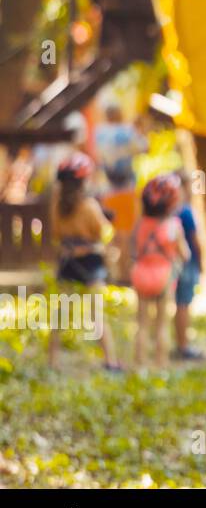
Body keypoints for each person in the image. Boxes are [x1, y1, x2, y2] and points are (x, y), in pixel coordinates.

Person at [47, 152, 122, 371]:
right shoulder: (90, 206)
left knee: (60, 315)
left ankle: (53, 361)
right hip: (91, 264)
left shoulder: (56, 208)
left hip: (67, 262)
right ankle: (110, 361)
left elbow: (56, 234)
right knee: (96, 316)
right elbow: (103, 233)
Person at [130, 173, 187, 369]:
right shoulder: (173, 226)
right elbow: (184, 254)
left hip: (141, 274)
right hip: (163, 276)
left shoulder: (141, 223)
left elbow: (135, 247)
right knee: (162, 323)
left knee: (142, 323)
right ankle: (161, 364)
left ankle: (140, 364)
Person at [172, 174, 205, 360]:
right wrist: (201, 263)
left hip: (174, 263)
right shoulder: (186, 212)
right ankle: (183, 345)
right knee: (183, 304)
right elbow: (194, 240)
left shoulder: (171, 211)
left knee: (178, 304)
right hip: (187, 261)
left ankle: (180, 343)